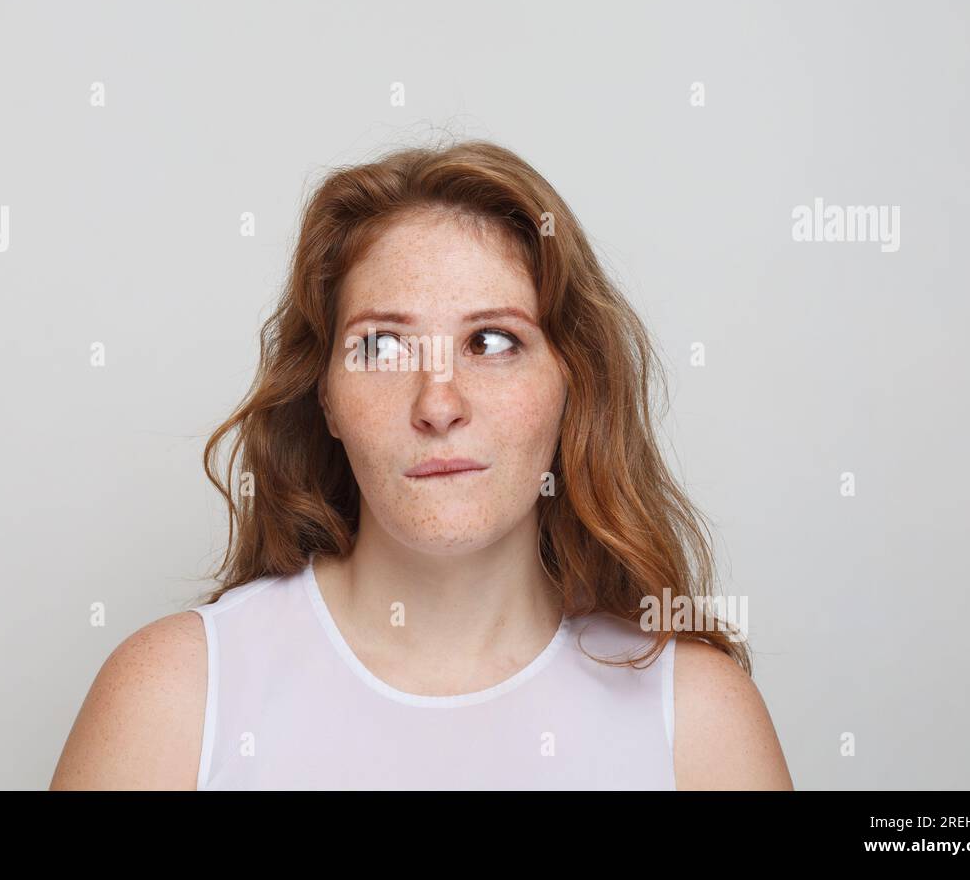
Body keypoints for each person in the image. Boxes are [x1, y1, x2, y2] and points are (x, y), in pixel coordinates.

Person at [50, 139, 793, 790]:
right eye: (381, 346)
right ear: (327, 400)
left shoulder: (697, 717)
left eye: (492, 342)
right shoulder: (175, 698)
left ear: (574, 384)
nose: (438, 404)